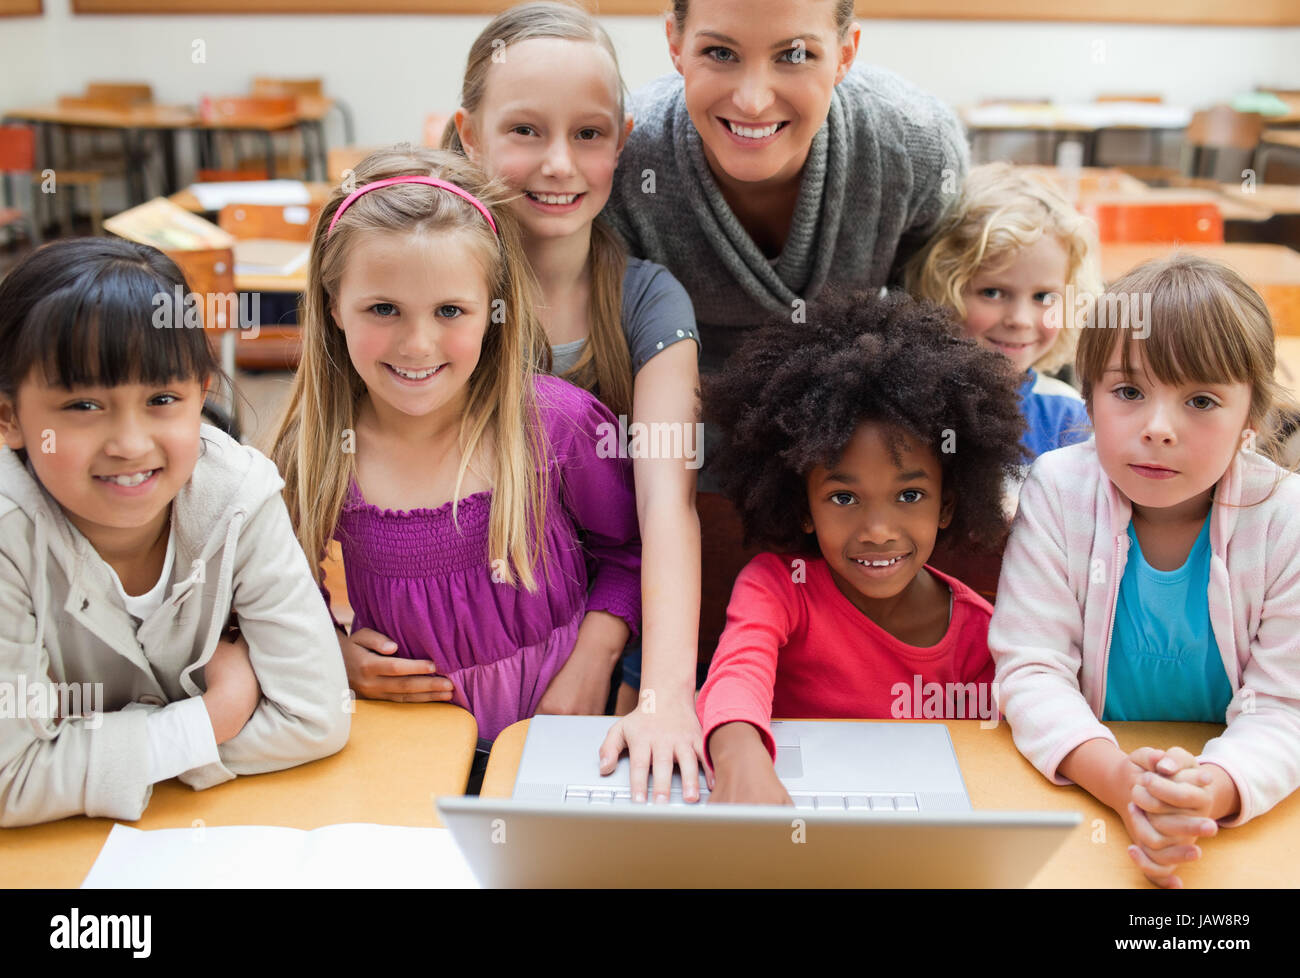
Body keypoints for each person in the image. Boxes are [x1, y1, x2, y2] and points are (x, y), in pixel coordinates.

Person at [269, 147, 641, 744]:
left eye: (450, 310)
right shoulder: (311, 453)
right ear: (334, 305)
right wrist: (335, 654)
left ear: (493, 312)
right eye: (383, 308)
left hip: (564, 737)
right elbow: (276, 596)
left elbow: (631, 552)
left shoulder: (555, 425)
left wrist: (595, 660)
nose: (418, 344)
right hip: (411, 754)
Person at [445, 1, 706, 801]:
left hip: (607, 632)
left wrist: (651, 685)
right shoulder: (432, 297)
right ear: (468, 135)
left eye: (588, 135)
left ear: (621, 142)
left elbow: (666, 503)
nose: (559, 164)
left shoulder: (650, 305)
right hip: (447, 645)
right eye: (525, 131)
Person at [0, 238, 349, 827]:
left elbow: (315, 716)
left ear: (202, 394)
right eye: (84, 406)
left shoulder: (239, 495)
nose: (131, 444)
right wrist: (213, 718)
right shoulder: (11, 535)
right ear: (8, 417)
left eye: (163, 399)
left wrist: (82, 761)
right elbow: (9, 778)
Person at [990, 255, 1300, 888]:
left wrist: (1207, 793)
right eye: (1129, 392)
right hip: (1083, 792)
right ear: (1089, 398)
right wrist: (1120, 782)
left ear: (1251, 420)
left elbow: (1287, 707)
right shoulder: (1056, 489)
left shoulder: (1285, 519)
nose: (1158, 429)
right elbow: (1031, 669)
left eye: (1202, 400)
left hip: (1227, 819)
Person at [696, 290, 1026, 804]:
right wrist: (739, 755)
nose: (877, 530)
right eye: (844, 497)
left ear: (947, 504)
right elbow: (737, 674)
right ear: (803, 506)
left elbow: (982, 769)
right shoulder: (779, 588)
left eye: (909, 495)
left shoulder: (979, 636)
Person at [603, 0, 968, 374]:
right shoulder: (619, 161)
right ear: (675, 44)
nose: (753, 102)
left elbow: (942, 336)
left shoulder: (918, 149)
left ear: (845, 54)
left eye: (795, 55)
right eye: (720, 52)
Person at [907, 162, 1103, 465]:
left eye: (1043, 296)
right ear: (941, 289)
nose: (1020, 320)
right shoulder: (906, 407)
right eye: (993, 293)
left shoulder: (1070, 417)